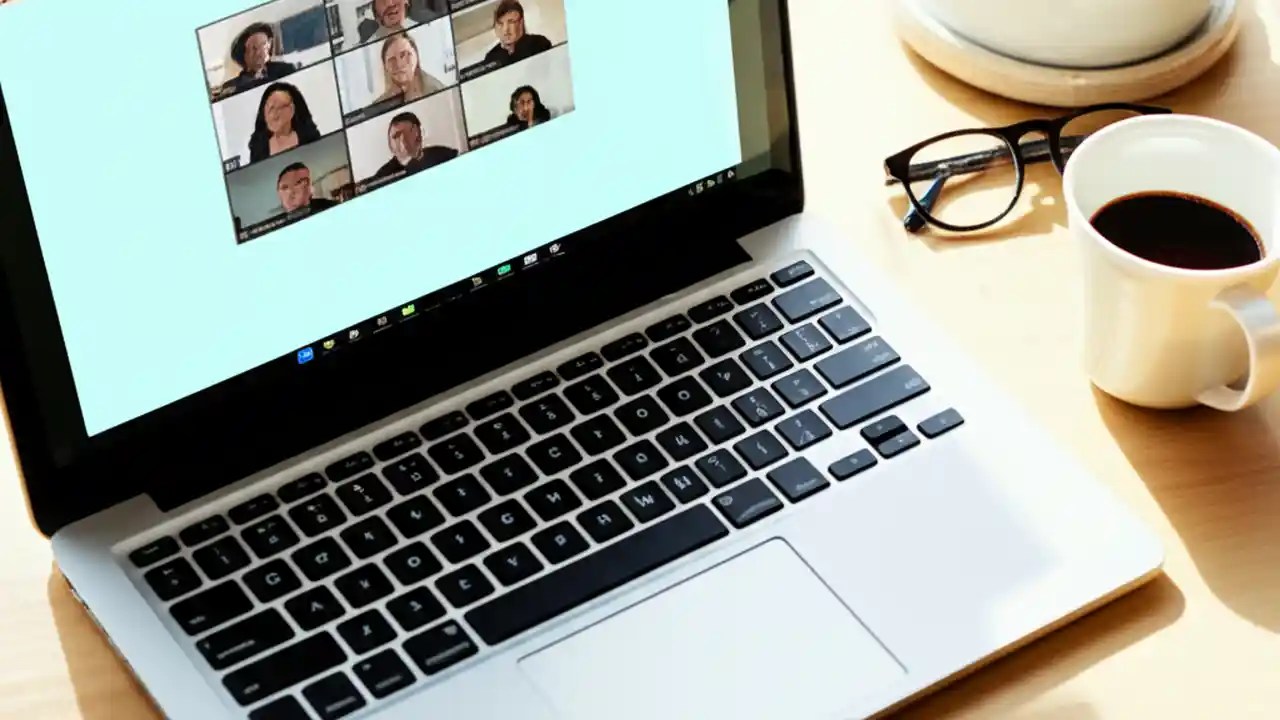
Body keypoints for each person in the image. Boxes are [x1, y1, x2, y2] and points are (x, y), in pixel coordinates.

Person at [217, 23, 298, 98]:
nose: (261, 51)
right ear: (242, 55)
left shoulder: (285, 69)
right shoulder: (231, 88)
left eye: (264, 44)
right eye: (254, 48)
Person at [248, 82, 322, 163]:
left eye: (280, 107)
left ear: (292, 109)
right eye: (270, 108)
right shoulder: (259, 148)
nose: (273, 114)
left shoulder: (309, 138)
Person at [372, 111, 458, 180]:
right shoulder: (382, 178)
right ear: (390, 144)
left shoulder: (443, 155)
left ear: (420, 134)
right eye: (396, 136)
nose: (403, 141)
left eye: (409, 133)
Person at [373, 32, 446, 107]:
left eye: (404, 55)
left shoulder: (437, 91)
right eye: (392, 60)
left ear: (416, 56)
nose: (399, 64)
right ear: (385, 66)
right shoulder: (379, 106)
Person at [483, 0, 553, 68]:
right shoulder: (491, 58)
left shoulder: (539, 43)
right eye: (500, 24)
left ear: (521, 23)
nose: (505, 29)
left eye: (511, 22)